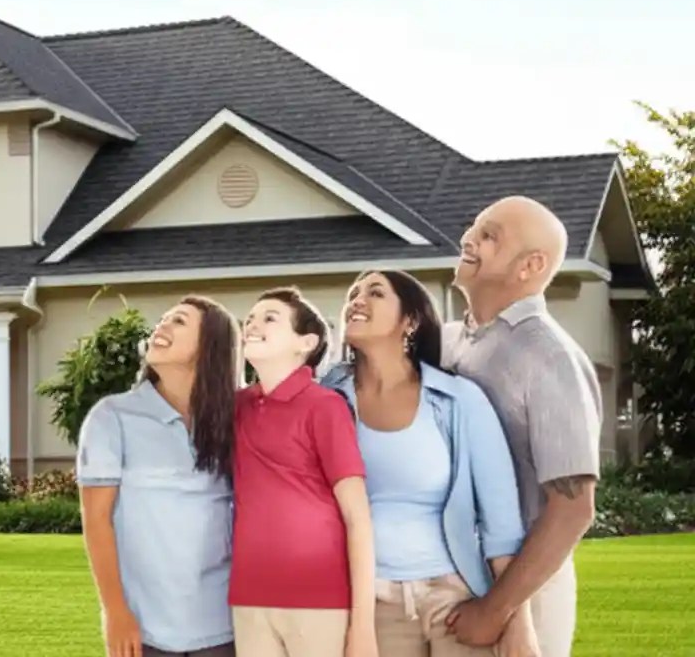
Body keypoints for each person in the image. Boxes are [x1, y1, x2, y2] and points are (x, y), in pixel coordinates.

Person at [319, 269, 537, 656]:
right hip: (371, 602)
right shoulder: (325, 401)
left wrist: (517, 624)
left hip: (453, 598)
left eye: (375, 292)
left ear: (411, 320)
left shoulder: (459, 400)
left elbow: (501, 524)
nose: (356, 299)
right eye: (353, 292)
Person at [441, 196, 603, 657]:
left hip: (521, 595)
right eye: (473, 228)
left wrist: (496, 609)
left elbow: (573, 509)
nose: (468, 241)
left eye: (489, 236)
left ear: (531, 265)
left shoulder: (548, 356)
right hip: (450, 577)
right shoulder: (453, 340)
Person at [76, 295, 242, 657]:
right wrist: (115, 611)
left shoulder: (235, 419)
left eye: (178, 321)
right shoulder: (112, 417)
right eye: (163, 318)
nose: (161, 325)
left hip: (226, 626)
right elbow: (96, 520)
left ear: (209, 346)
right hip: (145, 630)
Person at [227, 286, 376, 657]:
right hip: (249, 599)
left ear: (305, 342)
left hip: (320, 602)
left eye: (269, 318)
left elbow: (357, 518)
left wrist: (362, 626)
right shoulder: (235, 408)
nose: (252, 325)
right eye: (250, 319)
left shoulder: (324, 407)